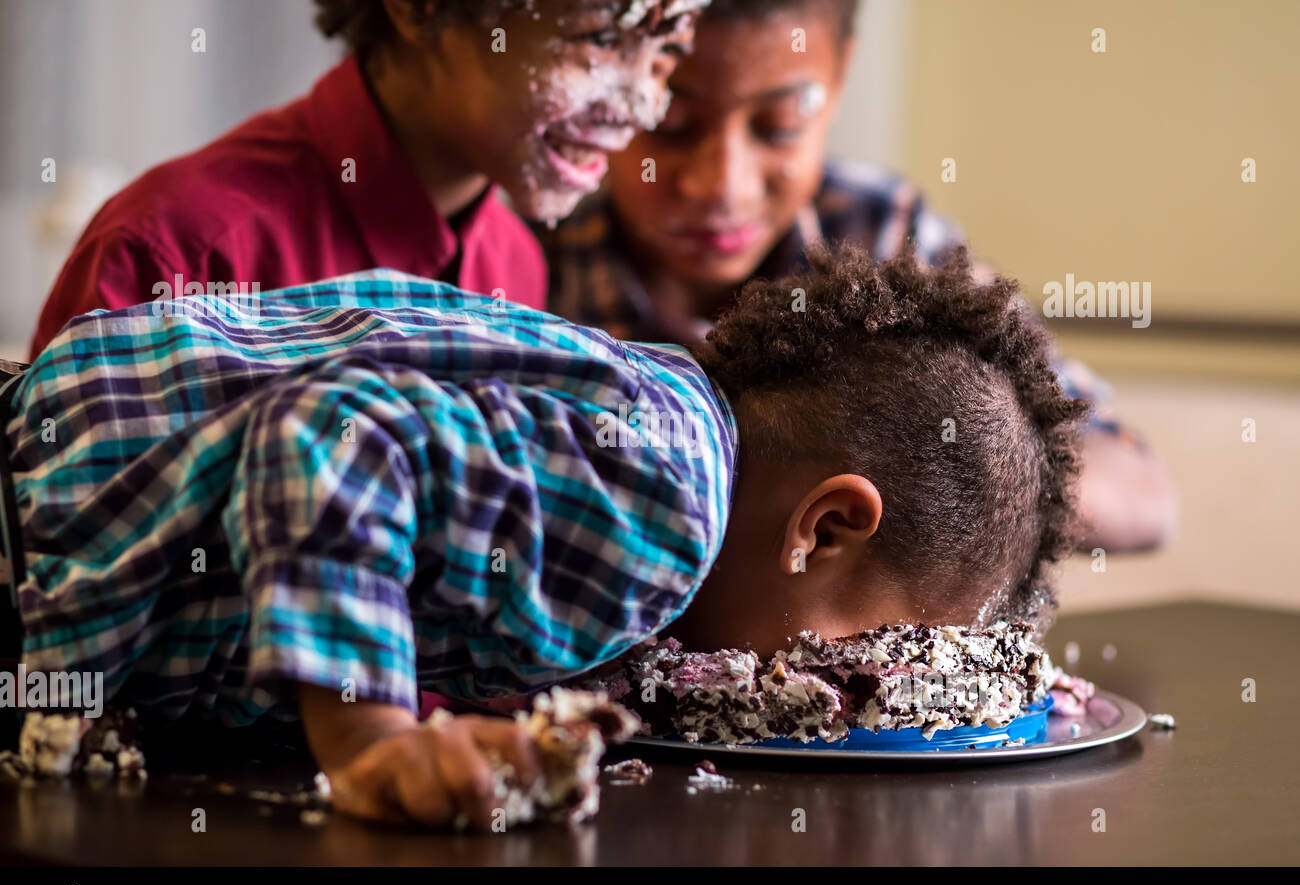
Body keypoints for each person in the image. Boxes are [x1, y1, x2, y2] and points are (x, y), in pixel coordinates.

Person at [2, 243, 1083, 826]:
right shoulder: (669, 509)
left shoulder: (656, 402)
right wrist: (368, 735)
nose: (823, 684)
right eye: (860, 646)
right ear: (827, 526)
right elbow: (335, 436)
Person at [540, 0, 1177, 552]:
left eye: (780, 125)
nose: (721, 186)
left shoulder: (883, 235)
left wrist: (915, 469)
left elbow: (1140, 496)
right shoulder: (528, 258)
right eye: (669, 126)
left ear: (840, 75)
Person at [26, 0, 706, 358]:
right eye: (598, 38)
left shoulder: (515, 263)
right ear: (421, 7)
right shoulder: (178, 251)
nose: (644, 103)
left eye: (668, 48)